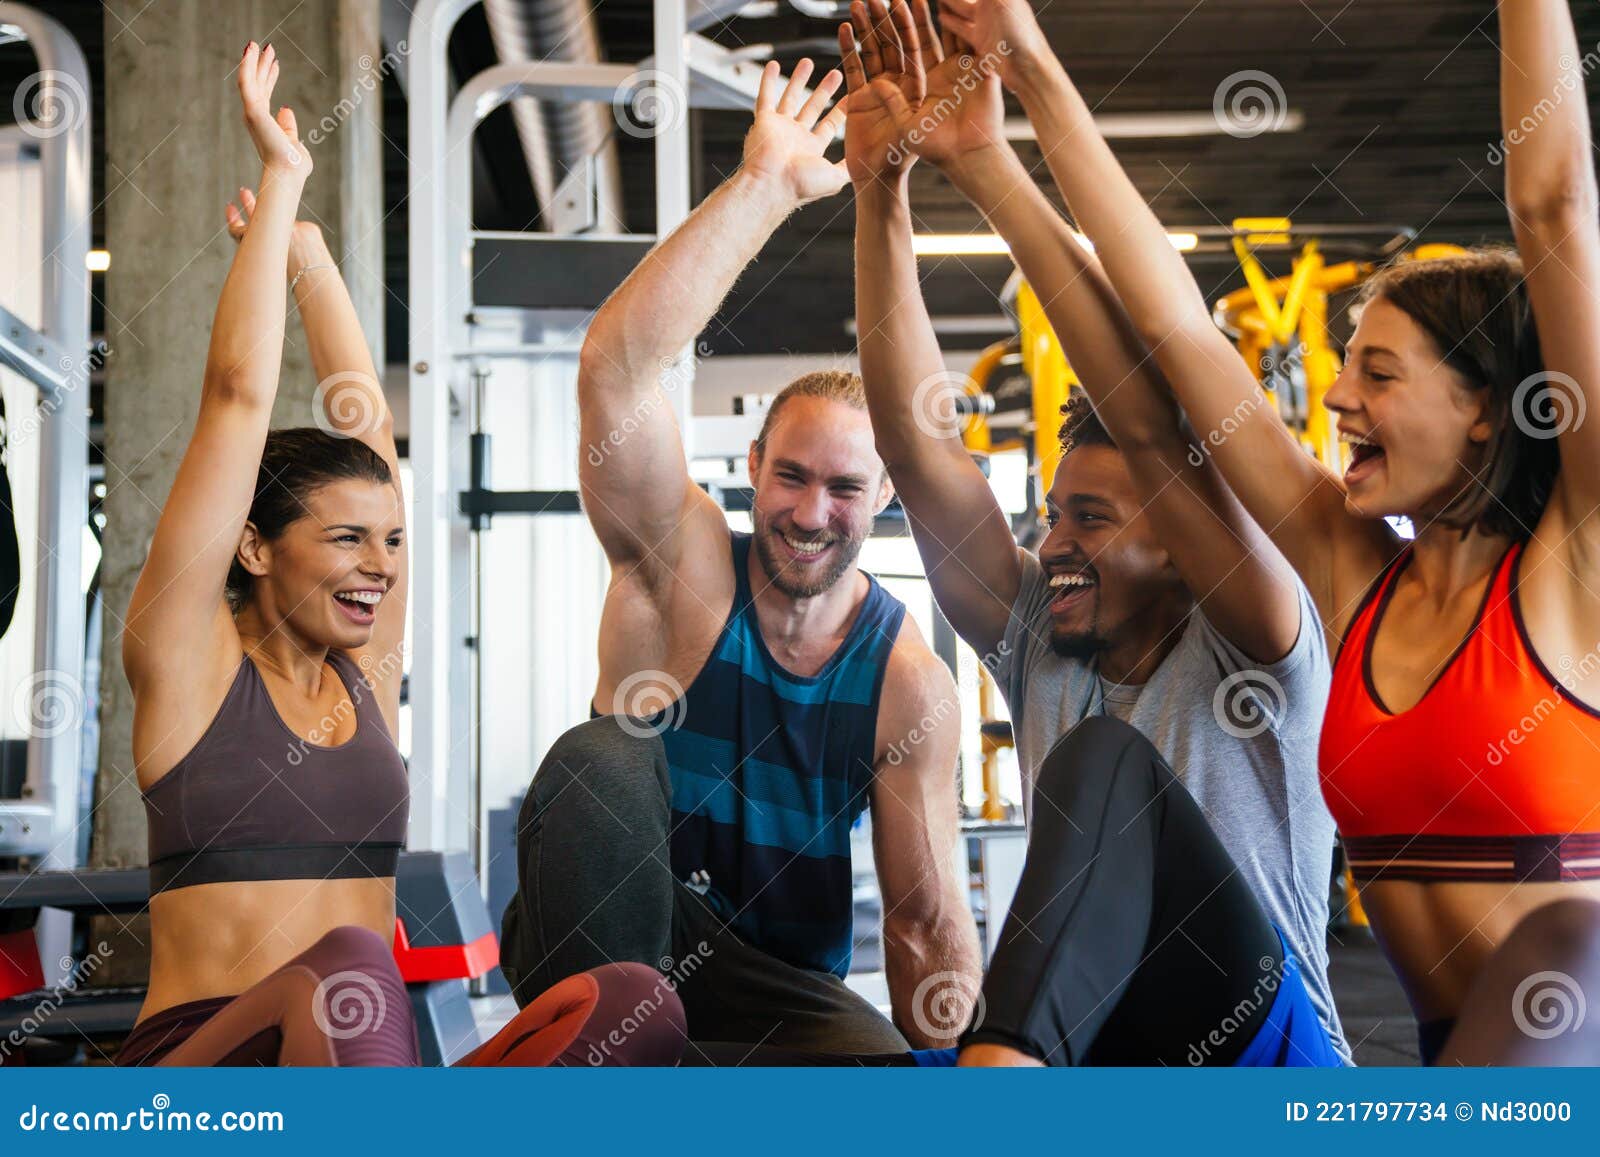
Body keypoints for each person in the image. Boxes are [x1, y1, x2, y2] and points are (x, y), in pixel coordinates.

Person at [942, 0, 1600, 1064]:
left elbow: (1553, 204)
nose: (1338, 399)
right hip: (1439, 1079)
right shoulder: (1355, 580)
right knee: (1106, 757)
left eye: (1377, 374)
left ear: (1488, 407)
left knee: (1570, 937)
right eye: (1344, 368)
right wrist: (1028, 75)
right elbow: (1171, 340)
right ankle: (1002, 1083)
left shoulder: (1579, 564)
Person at [117, 42, 681, 1067]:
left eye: (389, 540)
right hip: (204, 1064)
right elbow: (237, 400)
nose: (380, 564)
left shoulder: (363, 674)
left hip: (364, 1055)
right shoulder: (186, 667)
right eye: (344, 539)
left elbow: (369, 432)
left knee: (630, 1002)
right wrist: (283, 186)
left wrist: (316, 264)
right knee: (348, 969)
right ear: (252, 544)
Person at [838, 0, 1346, 1064]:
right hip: (1098, 1052)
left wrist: (987, 160)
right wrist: (878, 193)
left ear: (1180, 546)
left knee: (1105, 758)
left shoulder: (1261, 643)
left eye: (1090, 519)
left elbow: (1159, 427)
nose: (1051, 539)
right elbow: (920, 457)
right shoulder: (1038, 638)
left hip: (1262, 1055)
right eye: (1051, 510)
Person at [498, 58, 982, 1055]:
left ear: (883, 495)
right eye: (791, 475)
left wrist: (959, 1066)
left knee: (894, 1071)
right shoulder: (686, 569)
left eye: (845, 488)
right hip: (622, 941)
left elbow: (925, 921)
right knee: (600, 756)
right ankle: (609, 1091)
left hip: (775, 988)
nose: (811, 513)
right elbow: (616, 369)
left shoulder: (905, 681)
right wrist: (762, 184)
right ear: (753, 465)